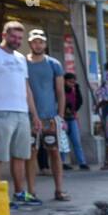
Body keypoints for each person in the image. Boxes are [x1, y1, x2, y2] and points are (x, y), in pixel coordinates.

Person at [0, 20, 40, 206]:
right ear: (4, 35)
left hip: (21, 112)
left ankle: (20, 193)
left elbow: (26, 87)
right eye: (13, 36)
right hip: (0, 112)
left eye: (20, 38)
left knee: (20, 155)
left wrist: (34, 114)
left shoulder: (21, 58)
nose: (16, 40)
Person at [25, 29, 69, 202]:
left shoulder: (54, 64)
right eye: (35, 41)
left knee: (54, 152)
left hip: (50, 117)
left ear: (45, 44)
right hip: (29, 117)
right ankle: (31, 192)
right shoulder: (23, 63)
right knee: (31, 154)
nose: (38, 44)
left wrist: (60, 115)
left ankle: (59, 190)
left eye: (41, 41)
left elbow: (60, 92)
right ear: (30, 43)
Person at [61, 72, 89, 170]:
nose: (71, 84)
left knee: (76, 141)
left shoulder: (74, 90)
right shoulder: (60, 90)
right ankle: (62, 162)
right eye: (69, 82)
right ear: (64, 81)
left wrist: (77, 89)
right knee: (63, 142)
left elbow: (79, 102)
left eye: (73, 82)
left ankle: (82, 162)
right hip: (62, 118)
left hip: (72, 118)